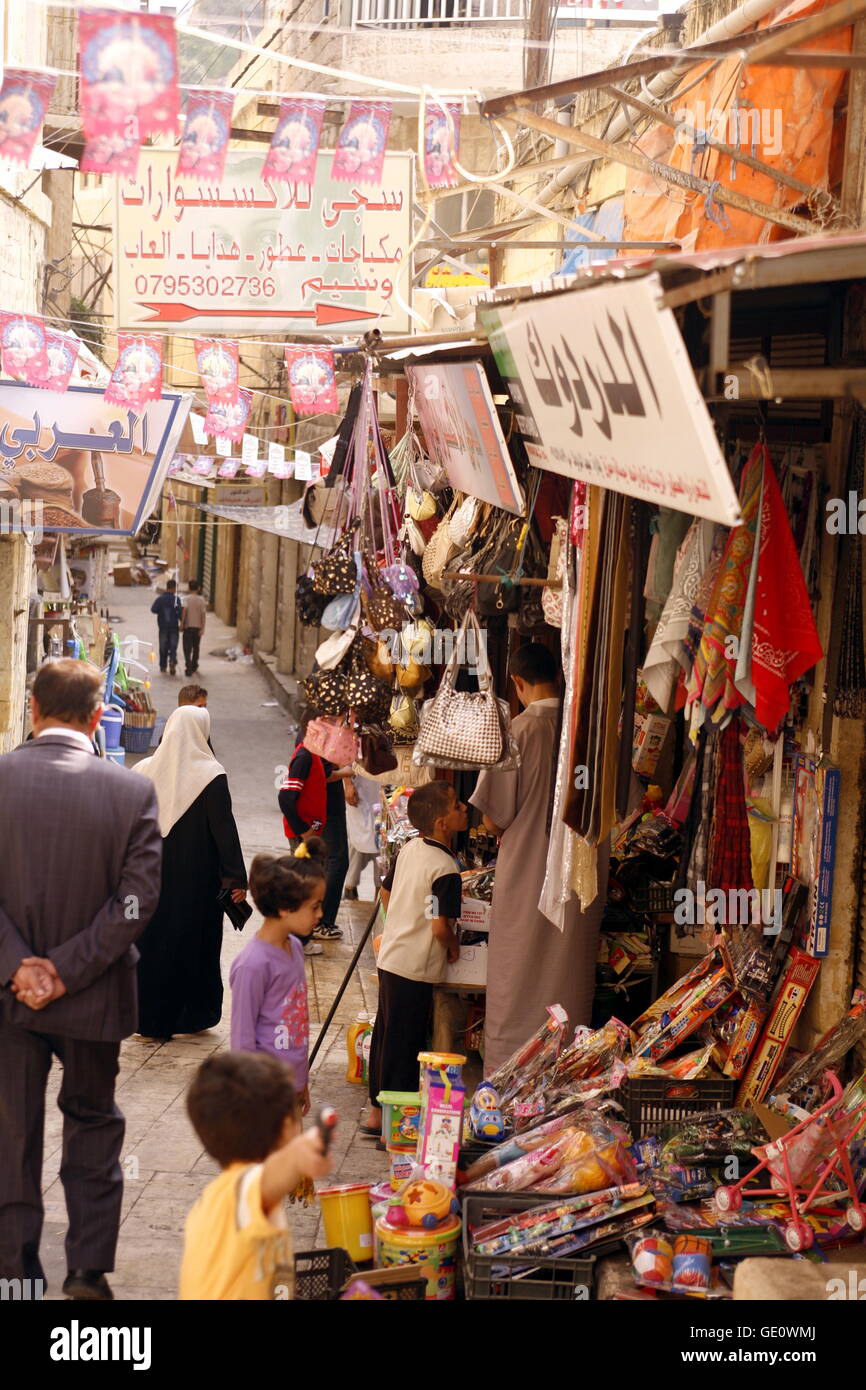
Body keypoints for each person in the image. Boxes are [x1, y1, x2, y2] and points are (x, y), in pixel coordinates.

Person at [0, 659, 162, 1300]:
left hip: (9, 998)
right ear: (99, 719)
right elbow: (137, 900)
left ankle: (14, 1273)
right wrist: (67, 971)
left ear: (32, 710)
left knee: (11, 1128)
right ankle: (87, 1271)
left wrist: (22, 966)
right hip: (94, 997)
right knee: (93, 1121)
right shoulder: (129, 793)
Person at [470, 643, 607, 1075]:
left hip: (527, 875)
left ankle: (508, 1083)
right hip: (580, 879)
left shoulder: (518, 732)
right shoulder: (592, 733)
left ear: (518, 683)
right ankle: (563, 1077)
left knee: (516, 979)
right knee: (568, 974)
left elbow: (494, 819)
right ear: (559, 677)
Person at [133, 705, 247, 1040]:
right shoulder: (210, 774)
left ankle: (150, 1017)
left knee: (152, 944)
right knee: (192, 944)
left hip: (149, 877)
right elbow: (223, 829)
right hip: (196, 882)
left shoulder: (142, 770)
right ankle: (191, 1015)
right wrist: (235, 879)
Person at [180, 1053, 331, 1300]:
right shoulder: (239, 1189)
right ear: (285, 1127)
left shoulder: (226, 1192)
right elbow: (266, 1182)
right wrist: (300, 1156)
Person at [364, 781, 466, 1135]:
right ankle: (395, 1123)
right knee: (405, 1044)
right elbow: (440, 927)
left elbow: (385, 891)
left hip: (392, 956)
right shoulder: (446, 869)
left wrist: (399, 926)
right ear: (442, 822)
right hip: (415, 967)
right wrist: (453, 946)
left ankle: (376, 1114)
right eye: (457, 806)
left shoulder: (410, 848)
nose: (465, 809)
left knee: (386, 1036)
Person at [229, 841, 328, 1114]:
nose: (320, 915)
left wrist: (302, 1080)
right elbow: (242, 1039)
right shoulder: (253, 965)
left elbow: (295, 1024)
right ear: (285, 907)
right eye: (315, 906)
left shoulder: (295, 947)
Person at [277, 710, 352, 949]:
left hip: (311, 831)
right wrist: (304, 830)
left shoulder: (313, 756)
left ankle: (302, 937)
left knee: (309, 881)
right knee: (305, 884)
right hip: (303, 834)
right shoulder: (305, 757)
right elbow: (286, 797)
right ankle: (298, 937)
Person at [343, 774, 381, 902]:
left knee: (383, 839)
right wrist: (348, 783)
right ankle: (350, 888)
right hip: (359, 787)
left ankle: (380, 893)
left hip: (384, 784)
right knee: (357, 839)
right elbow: (342, 758)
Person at [151, 578, 182, 676]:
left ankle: (163, 666)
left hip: (163, 627)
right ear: (173, 588)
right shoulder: (176, 600)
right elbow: (180, 613)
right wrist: (182, 623)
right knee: (173, 646)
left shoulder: (160, 599)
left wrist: (161, 611)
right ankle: (172, 661)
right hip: (174, 627)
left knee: (163, 646)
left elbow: (153, 609)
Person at [181, 579, 207, 678]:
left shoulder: (186, 599)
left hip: (188, 627)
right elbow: (203, 615)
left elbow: (184, 612)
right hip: (197, 627)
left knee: (187, 648)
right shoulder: (201, 600)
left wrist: (182, 624)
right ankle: (194, 664)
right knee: (196, 647)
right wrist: (203, 628)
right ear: (199, 588)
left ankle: (189, 667)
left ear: (188, 588)